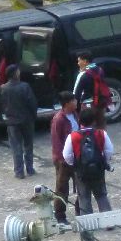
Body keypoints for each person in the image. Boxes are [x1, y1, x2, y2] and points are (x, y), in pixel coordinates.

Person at [63, 107, 113, 215]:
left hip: (81, 172)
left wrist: (75, 164)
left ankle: (87, 226)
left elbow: (66, 155)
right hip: (98, 170)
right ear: (94, 121)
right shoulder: (101, 134)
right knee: (101, 195)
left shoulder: (72, 137)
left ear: (80, 121)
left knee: (84, 198)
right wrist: (104, 162)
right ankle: (109, 222)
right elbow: (109, 150)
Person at [0, 64, 37, 179]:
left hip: (12, 121)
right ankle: (30, 168)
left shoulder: (2, 88)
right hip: (26, 120)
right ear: (16, 73)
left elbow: (0, 104)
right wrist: (33, 116)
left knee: (16, 147)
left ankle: (19, 171)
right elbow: (32, 103)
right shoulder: (25, 87)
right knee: (28, 145)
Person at [49, 92, 79, 224]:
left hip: (76, 157)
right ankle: (60, 216)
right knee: (62, 188)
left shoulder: (75, 115)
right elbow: (57, 142)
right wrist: (63, 160)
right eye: (73, 100)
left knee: (81, 186)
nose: (76, 102)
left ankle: (81, 212)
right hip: (63, 160)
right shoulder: (59, 119)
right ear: (67, 103)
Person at [73, 51, 109, 121]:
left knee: (88, 127)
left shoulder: (82, 75)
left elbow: (77, 94)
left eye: (79, 61)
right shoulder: (100, 70)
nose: (78, 63)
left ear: (85, 61)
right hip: (100, 102)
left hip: (87, 106)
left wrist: (76, 110)